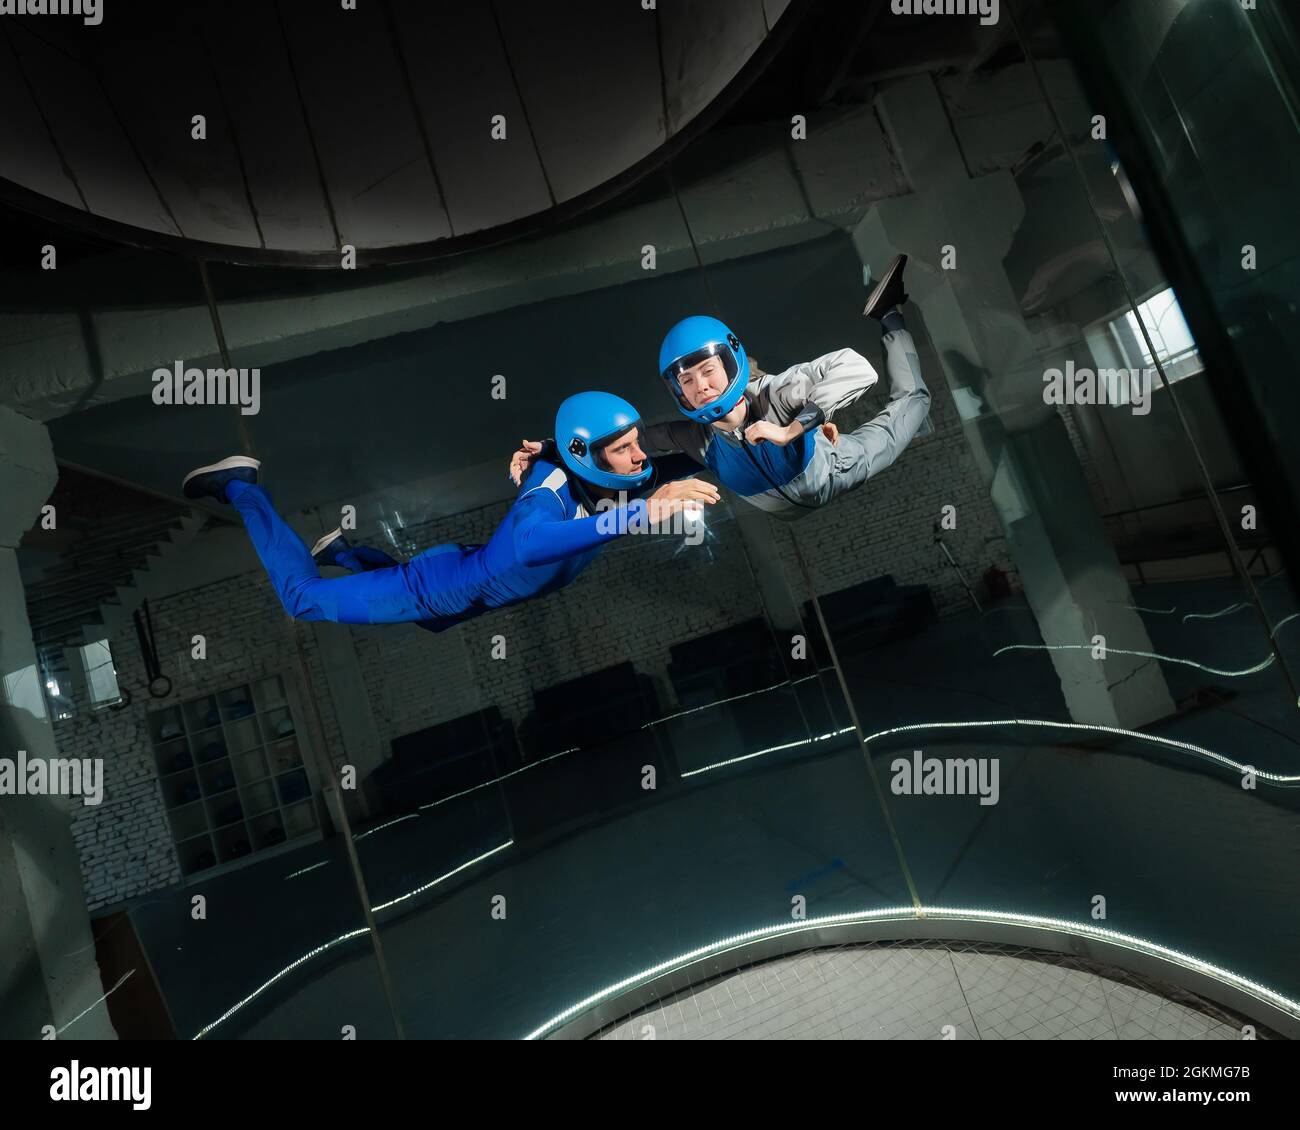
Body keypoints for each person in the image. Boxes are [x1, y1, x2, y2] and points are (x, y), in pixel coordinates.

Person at [182, 392, 717, 631]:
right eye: (625, 449)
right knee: (301, 602)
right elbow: (530, 544)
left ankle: (345, 554)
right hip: (440, 585)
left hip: (471, 585)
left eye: (635, 443)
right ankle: (240, 486)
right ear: (586, 455)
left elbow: (682, 459)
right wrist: (640, 515)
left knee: (433, 628)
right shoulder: (548, 490)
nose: (639, 457)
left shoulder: (618, 476)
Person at [509, 254, 931, 520]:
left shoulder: (778, 395)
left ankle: (889, 314)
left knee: (914, 401)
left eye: (708, 371)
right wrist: (552, 448)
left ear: (730, 365)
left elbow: (857, 369)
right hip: (782, 503)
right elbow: (617, 445)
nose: (700, 387)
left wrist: (794, 428)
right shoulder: (691, 437)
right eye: (686, 380)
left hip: (833, 470)